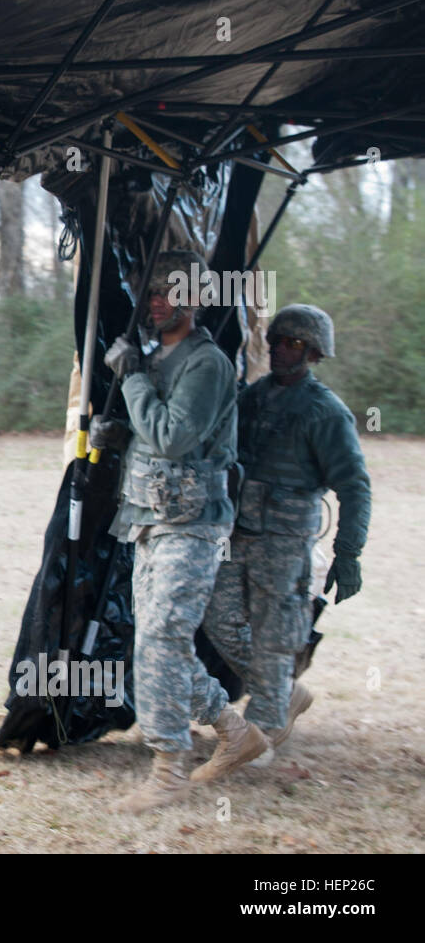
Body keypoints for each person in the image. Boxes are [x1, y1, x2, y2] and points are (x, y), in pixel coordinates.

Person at [98, 250, 268, 814]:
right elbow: (152, 439)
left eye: (168, 293)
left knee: (160, 638)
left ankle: (169, 766)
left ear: (193, 298)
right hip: (149, 520)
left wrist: (132, 382)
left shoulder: (206, 364)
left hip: (193, 526)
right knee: (159, 643)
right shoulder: (151, 359)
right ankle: (232, 728)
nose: (156, 303)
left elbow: (174, 437)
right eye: (149, 294)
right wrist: (118, 437)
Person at [202, 304, 370, 762]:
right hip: (237, 533)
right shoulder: (253, 398)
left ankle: (264, 728)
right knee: (217, 618)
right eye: (276, 340)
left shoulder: (326, 412)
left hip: (286, 542)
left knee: (276, 640)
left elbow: (355, 486)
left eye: (293, 343)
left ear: (314, 352)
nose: (280, 350)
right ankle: (283, 692)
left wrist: (348, 554)